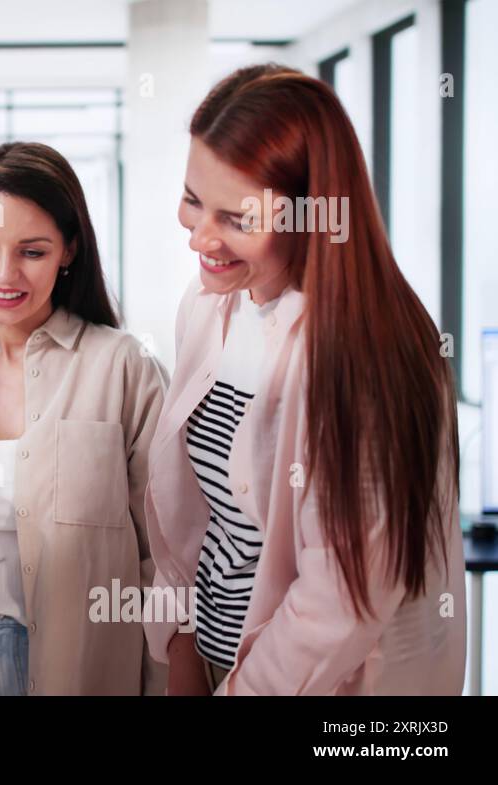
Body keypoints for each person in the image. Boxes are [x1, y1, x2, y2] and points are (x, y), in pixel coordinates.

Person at [146, 64, 466, 695]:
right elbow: (194, 519)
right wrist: (181, 650)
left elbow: (339, 599)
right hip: (217, 660)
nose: (201, 238)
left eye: (237, 219)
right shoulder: (209, 306)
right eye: (192, 199)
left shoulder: (364, 353)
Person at [0, 143, 168, 695]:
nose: (3, 273)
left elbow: (167, 554)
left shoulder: (123, 368)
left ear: (69, 250)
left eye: (32, 252)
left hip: (86, 665)